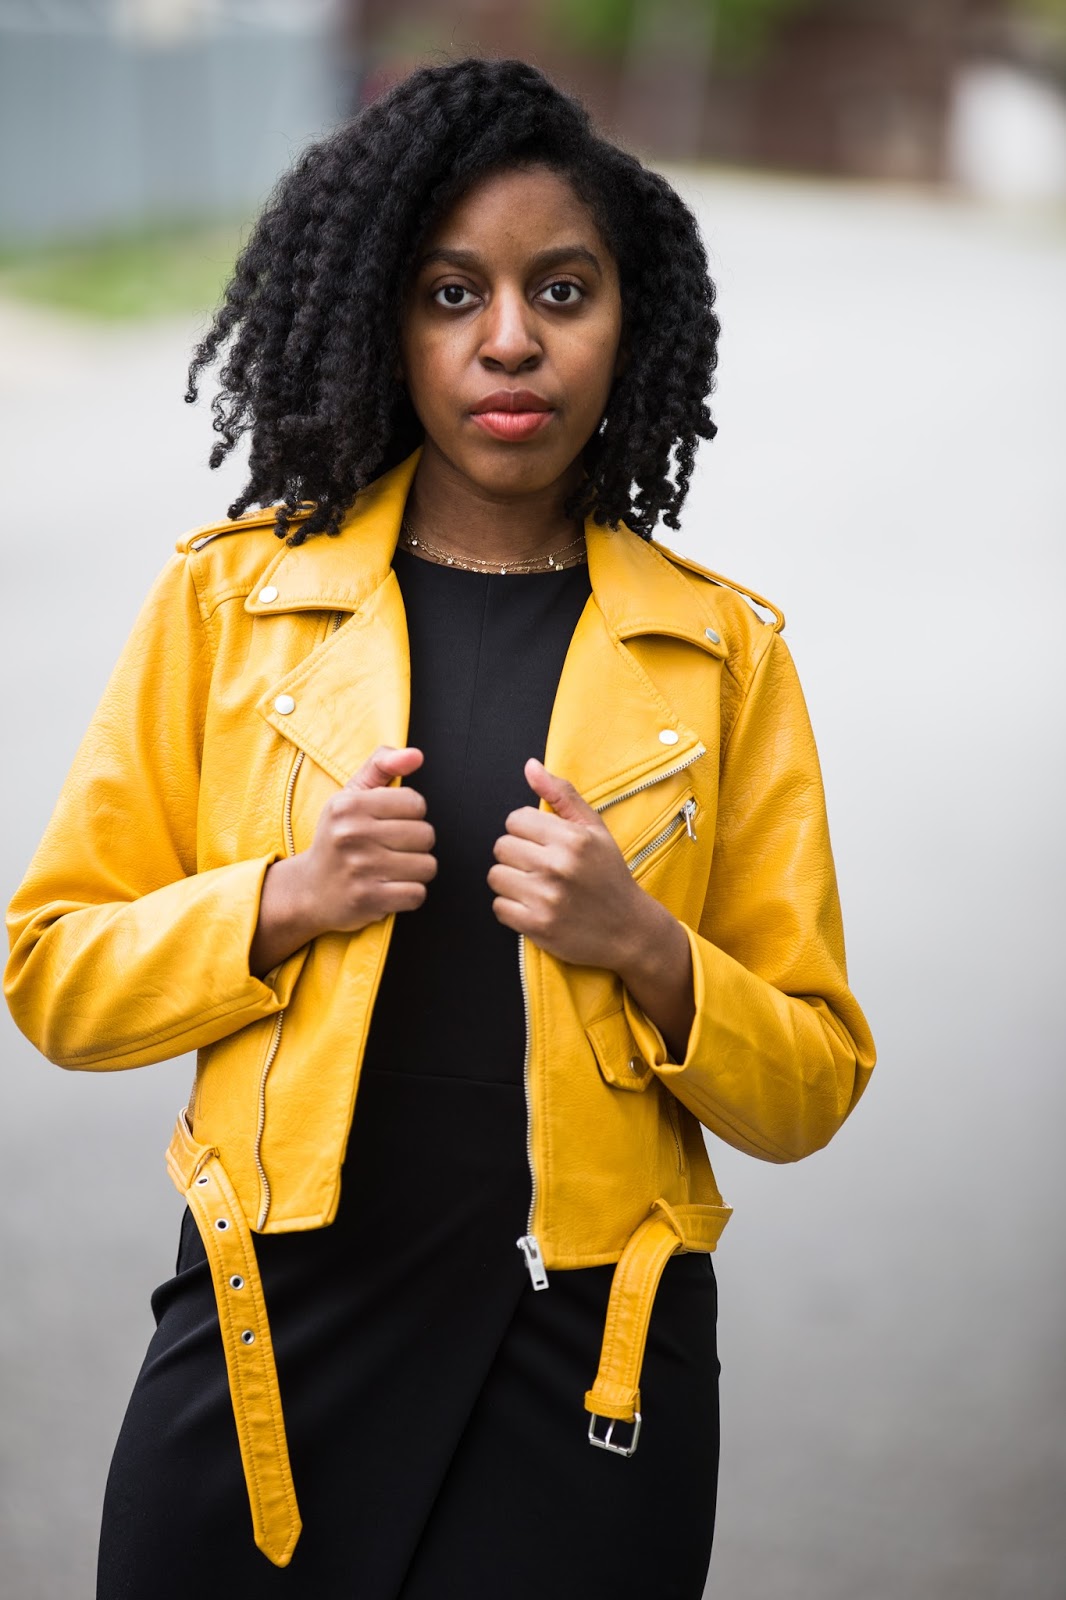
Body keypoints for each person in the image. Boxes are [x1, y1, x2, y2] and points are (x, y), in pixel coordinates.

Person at [5, 57, 875, 1600]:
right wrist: (277, 900)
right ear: (379, 321)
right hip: (273, 1337)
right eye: (449, 292)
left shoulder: (723, 657)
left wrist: (649, 948)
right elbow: (53, 973)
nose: (509, 339)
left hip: (591, 1361)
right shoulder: (229, 606)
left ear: (632, 322)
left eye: (561, 288)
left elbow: (807, 1081)